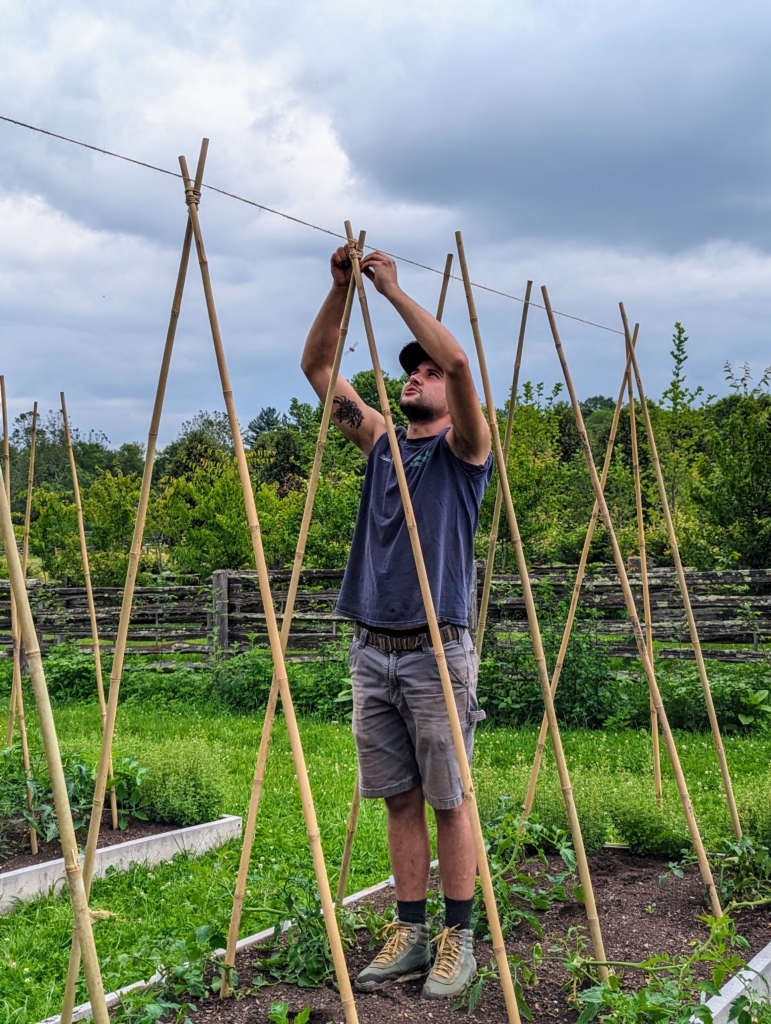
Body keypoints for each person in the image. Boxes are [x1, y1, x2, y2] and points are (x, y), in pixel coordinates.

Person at [302, 244, 492, 1000]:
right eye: (409, 369)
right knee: (398, 796)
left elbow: (464, 365)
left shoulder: (466, 450)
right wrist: (342, 292)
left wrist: (393, 291)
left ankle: (458, 937)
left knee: (450, 798)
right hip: (371, 649)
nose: (414, 373)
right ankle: (410, 930)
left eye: (427, 370)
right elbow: (319, 369)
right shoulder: (380, 441)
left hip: (434, 651)